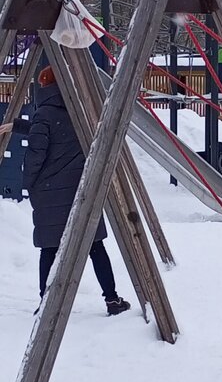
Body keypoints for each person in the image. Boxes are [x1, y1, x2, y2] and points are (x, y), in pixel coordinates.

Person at [0, 66, 131, 315]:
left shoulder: (45, 113)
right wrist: (17, 126)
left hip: (50, 193)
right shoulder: (78, 109)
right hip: (80, 189)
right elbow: (59, 131)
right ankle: (112, 299)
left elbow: (37, 150)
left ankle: (46, 302)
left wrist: (30, 182)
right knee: (95, 245)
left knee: (49, 249)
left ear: (45, 87)